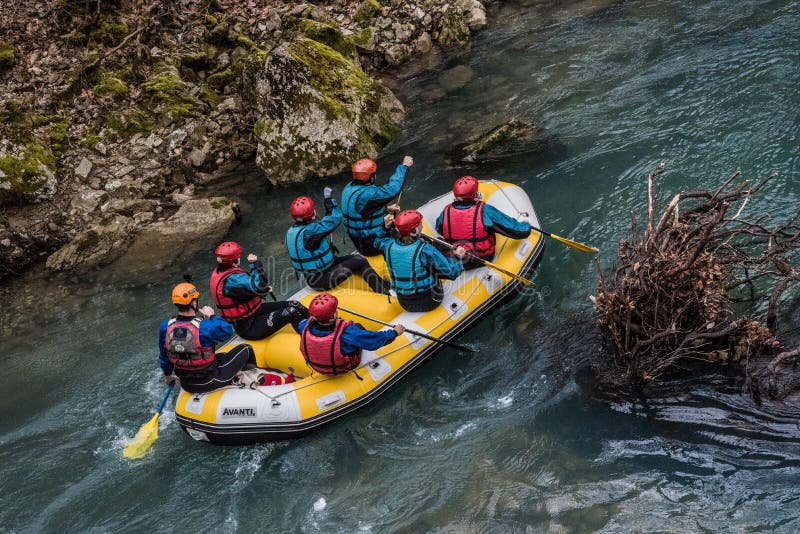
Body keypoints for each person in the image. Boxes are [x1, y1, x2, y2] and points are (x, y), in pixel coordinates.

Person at [159, 282, 256, 393]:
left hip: (186, 384)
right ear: (194, 303)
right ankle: (254, 378)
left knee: (223, 355)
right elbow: (227, 330)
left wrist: (167, 375)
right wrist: (211, 316)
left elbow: (164, 356)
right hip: (209, 380)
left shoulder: (165, 327)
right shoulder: (205, 327)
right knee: (246, 348)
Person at [285, 192, 390, 294]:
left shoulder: (292, 231)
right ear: (312, 213)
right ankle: (383, 292)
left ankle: (383, 285)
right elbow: (334, 218)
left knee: (355, 258)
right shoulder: (310, 232)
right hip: (322, 280)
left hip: (317, 274)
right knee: (360, 261)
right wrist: (328, 200)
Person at [210, 241, 308, 340]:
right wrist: (255, 264)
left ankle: (317, 324)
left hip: (256, 312)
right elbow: (260, 285)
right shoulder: (232, 280)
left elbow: (243, 292)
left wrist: (263, 290)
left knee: (295, 304)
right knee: (290, 312)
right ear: (235, 260)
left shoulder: (221, 275)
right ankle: (310, 339)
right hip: (249, 327)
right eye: (238, 256)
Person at [375, 209, 467, 312]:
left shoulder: (388, 245)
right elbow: (453, 272)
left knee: (425, 259)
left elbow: (377, 241)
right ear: (414, 231)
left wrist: (385, 227)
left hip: (405, 303)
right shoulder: (425, 250)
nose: (422, 227)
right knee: (439, 247)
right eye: (420, 225)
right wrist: (458, 257)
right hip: (431, 300)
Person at [435, 175, 532, 269]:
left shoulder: (446, 212)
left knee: (438, 240)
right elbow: (518, 231)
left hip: (457, 258)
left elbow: (439, 229)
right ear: (475, 194)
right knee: (489, 226)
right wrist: (526, 226)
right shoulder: (484, 210)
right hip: (481, 258)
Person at [298, 293, 405, 375]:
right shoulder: (348, 334)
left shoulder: (303, 326)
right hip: (344, 367)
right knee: (357, 326)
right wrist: (395, 332)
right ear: (333, 316)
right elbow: (375, 341)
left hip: (317, 367)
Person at [341, 155, 413, 256]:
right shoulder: (367, 194)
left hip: (359, 240)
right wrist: (404, 166)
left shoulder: (349, 188)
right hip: (371, 244)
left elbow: (362, 209)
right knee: (405, 237)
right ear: (371, 177)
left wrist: (386, 208)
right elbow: (392, 189)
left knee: (392, 225)